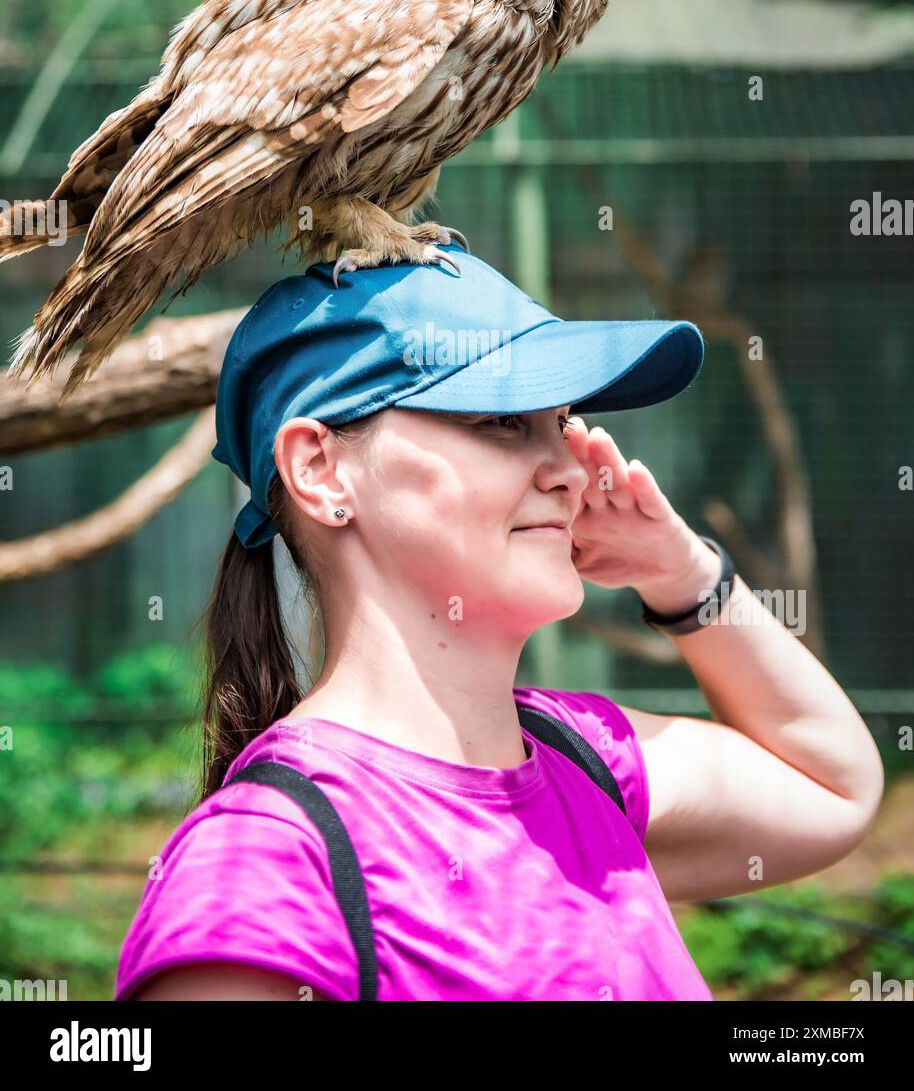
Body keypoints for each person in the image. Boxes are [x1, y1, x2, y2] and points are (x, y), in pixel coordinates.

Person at [115, 238, 883, 1002]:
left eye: (562, 422)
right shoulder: (264, 865)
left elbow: (832, 788)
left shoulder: (583, 760)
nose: (574, 470)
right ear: (320, 468)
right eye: (501, 422)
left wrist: (682, 575)